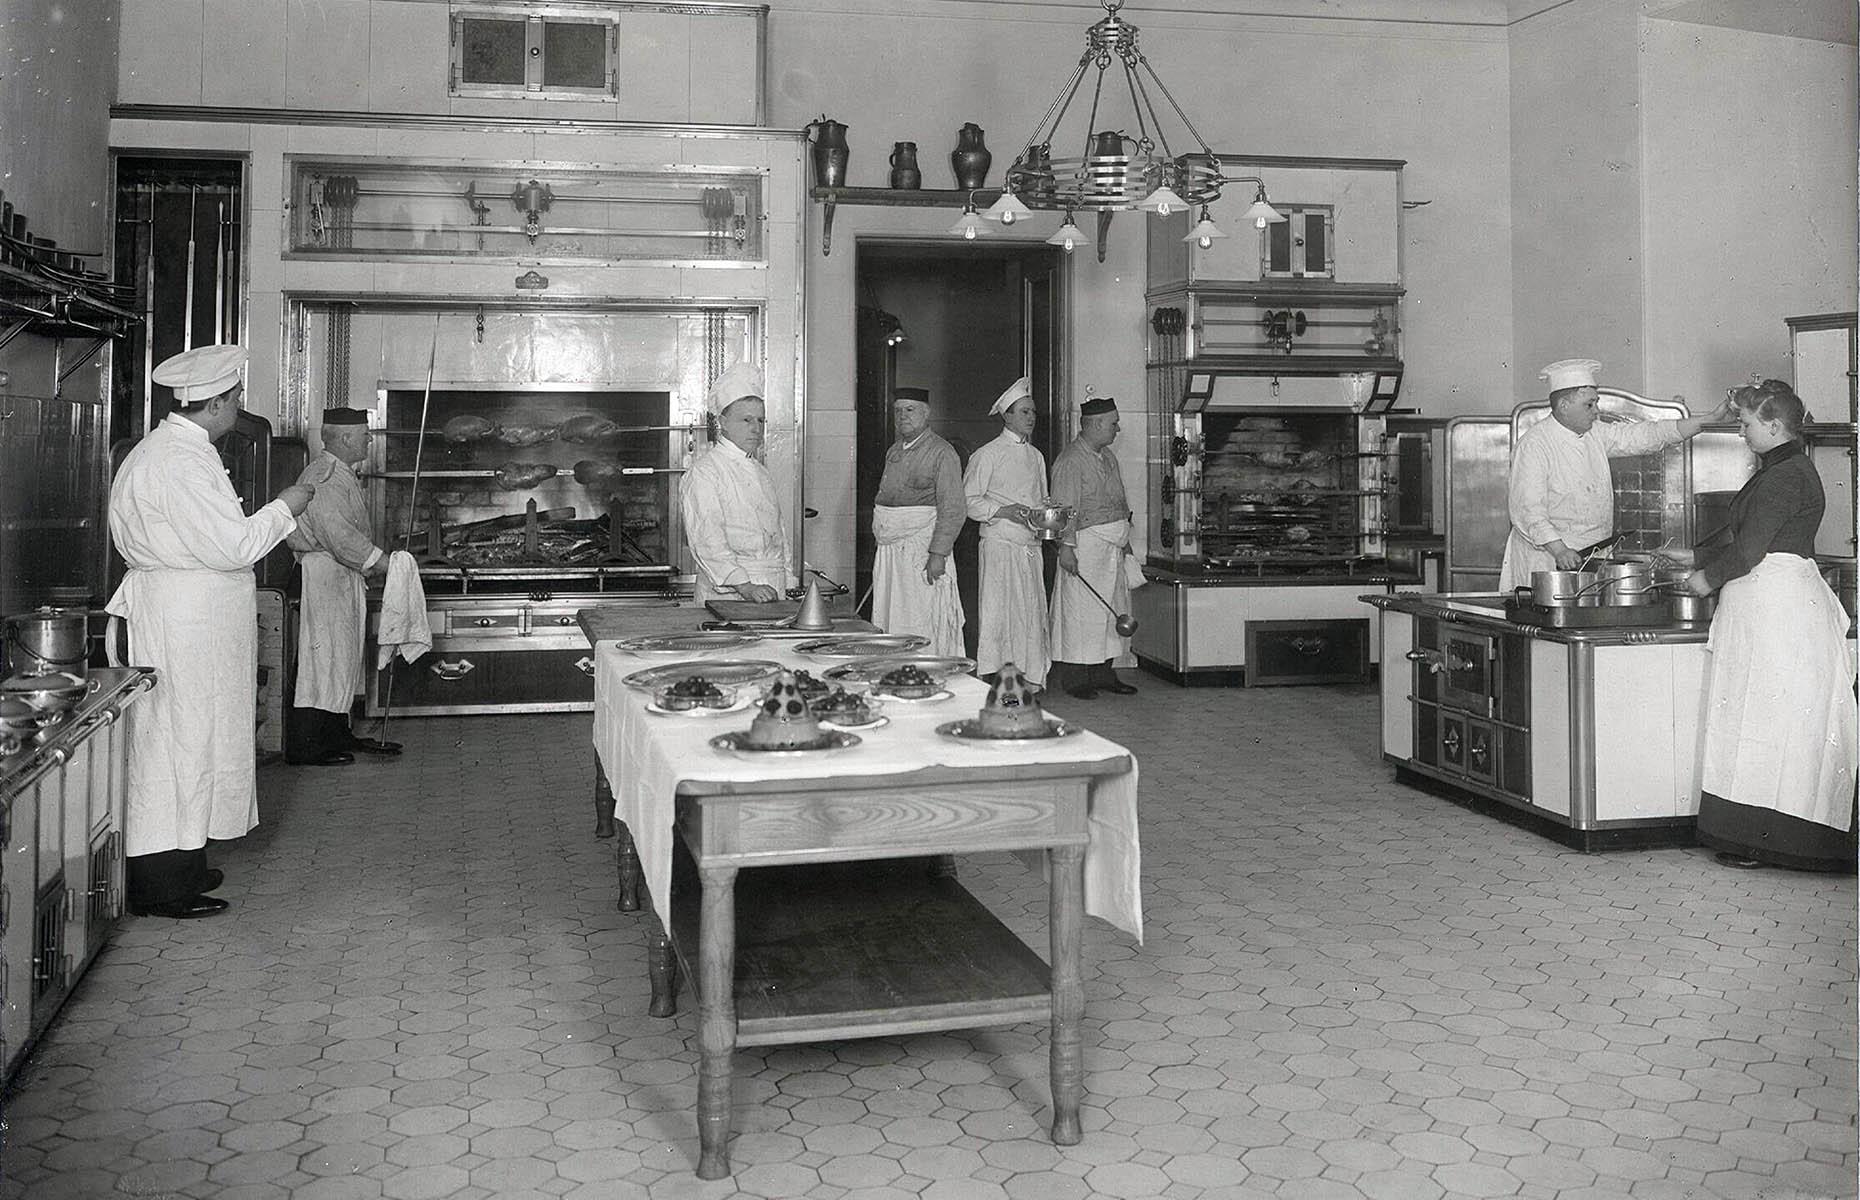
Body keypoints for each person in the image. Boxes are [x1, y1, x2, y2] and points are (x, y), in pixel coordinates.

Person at [106, 345, 315, 919]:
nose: (239, 405)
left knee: (189, 738)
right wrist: (286, 506)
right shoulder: (182, 461)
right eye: (236, 397)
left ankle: (184, 860)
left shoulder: (172, 450)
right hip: (183, 619)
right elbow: (234, 545)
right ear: (218, 402)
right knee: (178, 741)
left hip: (184, 614)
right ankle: (160, 883)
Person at [1675, 380, 1856, 871]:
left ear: (1775, 426)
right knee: (1758, 716)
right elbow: (1749, 537)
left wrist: (1704, 579)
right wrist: (1693, 557)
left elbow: (1753, 550)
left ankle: (1778, 840)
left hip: (1779, 609)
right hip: (1767, 607)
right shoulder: (1781, 469)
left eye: (1746, 423)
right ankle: (1749, 835)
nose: (1741, 431)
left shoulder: (1785, 476)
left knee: (1770, 720)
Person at [1499, 358, 1724, 590]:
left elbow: (1646, 436)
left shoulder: (1595, 433)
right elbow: (1528, 510)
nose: (1596, 411)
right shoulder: (1535, 445)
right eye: (1589, 405)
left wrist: (1708, 420)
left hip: (1591, 556)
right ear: (1564, 405)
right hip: (1548, 560)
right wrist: (1559, 549)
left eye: (1595, 403)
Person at [285, 406, 396, 767]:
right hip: (324, 574)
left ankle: (335, 732)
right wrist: (384, 564)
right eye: (365, 434)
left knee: (341, 656)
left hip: (338, 574)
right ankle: (307, 746)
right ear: (345, 438)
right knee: (322, 659)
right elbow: (340, 537)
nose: (368, 439)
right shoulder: (328, 476)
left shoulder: (342, 472)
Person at [1049, 396, 1140, 700]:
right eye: (1113, 423)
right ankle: (1076, 679)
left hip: (1111, 547)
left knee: (1111, 609)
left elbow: (1120, 500)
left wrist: (1125, 542)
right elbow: (1064, 509)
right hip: (1083, 547)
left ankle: (1104, 673)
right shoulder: (1070, 461)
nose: (1117, 428)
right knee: (1081, 614)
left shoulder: (1109, 457)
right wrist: (1066, 548)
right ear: (1097, 424)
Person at [680, 362, 794, 605]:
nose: (756, 429)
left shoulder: (761, 473)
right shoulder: (705, 472)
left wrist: (789, 579)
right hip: (729, 596)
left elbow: (779, 534)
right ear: (723, 422)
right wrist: (745, 586)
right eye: (746, 420)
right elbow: (707, 539)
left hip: (772, 590)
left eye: (761, 421)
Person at [963, 376, 1050, 688]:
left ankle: (1028, 678)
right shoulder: (987, 454)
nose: (1031, 418)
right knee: (1000, 614)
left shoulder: (1036, 456)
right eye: (1025, 412)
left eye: (1033, 412)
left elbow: (1041, 501)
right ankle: (998, 678)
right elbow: (969, 501)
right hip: (999, 546)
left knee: (1030, 614)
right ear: (1007, 416)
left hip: (1029, 547)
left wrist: (1045, 518)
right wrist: (1003, 511)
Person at [871, 386, 965, 656]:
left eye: (910, 410)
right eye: (898, 411)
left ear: (927, 414)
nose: (902, 416)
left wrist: (938, 554)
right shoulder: (894, 451)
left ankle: (924, 670)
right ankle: (894, 670)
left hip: (921, 551)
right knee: (892, 617)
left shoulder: (942, 452)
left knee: (920, 618)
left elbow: (953, 508)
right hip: (891, 553)